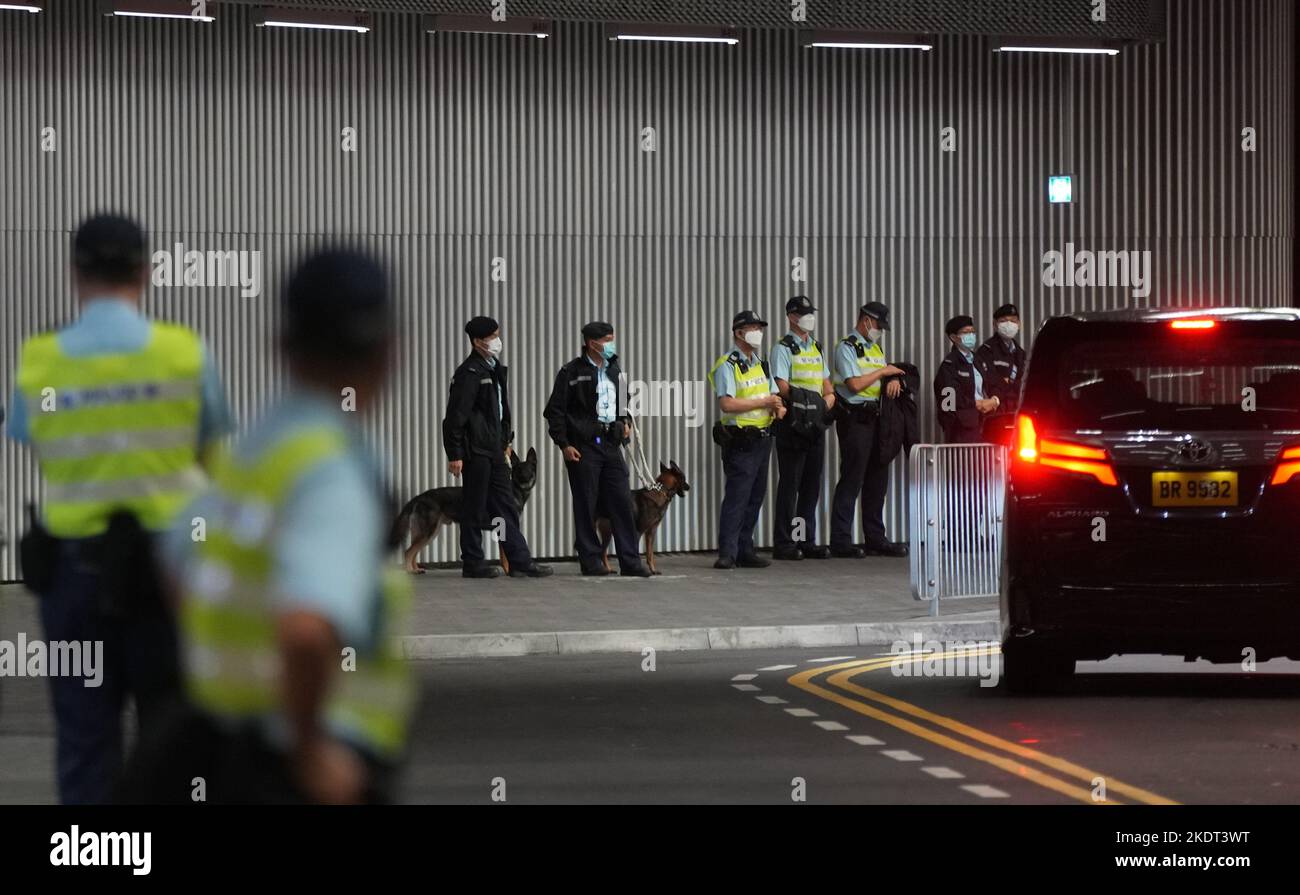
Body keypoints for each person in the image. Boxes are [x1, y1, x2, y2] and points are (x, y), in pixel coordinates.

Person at [133, 250, 416, 805]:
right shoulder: (335, 469)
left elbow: (178, 558)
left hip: (227, 746)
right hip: (303, 766)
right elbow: (306, 629)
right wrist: (308, 750)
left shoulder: (258, 451)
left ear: (280, 347)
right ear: (389, 353)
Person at [8, 213, 232, 804]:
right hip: (169, 575)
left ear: (74, 272)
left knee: (85, 743)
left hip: (75, 578)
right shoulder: (183, 352)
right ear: (146, 270)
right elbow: (213, 457)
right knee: (175, 740)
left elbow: (32, 435)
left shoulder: (41, 358)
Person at [443, 316, 552, 579]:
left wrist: (505, 442)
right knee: (474, 506)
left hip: (494, 451)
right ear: (478, 341)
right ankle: (473, 561)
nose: (497, 340)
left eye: (497, 334)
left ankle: (518, 560)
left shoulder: (493, 369)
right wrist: (455, 453)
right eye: (492, 336)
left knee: (505, 506)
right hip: (476, 451)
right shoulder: (469, 373)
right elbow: (455, 416)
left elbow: (500, 412)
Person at [544, 322, 652, 577]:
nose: (612, 344)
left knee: (622, 501)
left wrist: (625, 423)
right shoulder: (571, 371)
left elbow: (624, 403)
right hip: (584, 447)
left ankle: (630, 561)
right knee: (586, 504)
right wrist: (564, 444)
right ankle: (591, 561)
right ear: (592, 343)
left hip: (612, 445)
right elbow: (555, 412)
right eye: (607, 339)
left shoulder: (616, 369)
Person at [829, 302, 908, 558]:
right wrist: (884, 371)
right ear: (865, 320)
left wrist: (892, 378)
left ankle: (875, 538)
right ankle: (841, 540)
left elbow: (881, 377)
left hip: (877, 418)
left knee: (878, 479)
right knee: (852, 477)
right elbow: (853, 385)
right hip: (855, 419)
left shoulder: (875, 348)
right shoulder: (846, 347)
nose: (879, 331)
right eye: (877, 326)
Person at [709, 310, 786, 570]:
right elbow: (726, 404)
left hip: (763, 439)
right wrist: (763, 401)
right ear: (739, 332)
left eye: (760, 328)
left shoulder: (762, 363)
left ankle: (744, 549)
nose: (759, 333)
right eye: (753, 328)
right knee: (737, 496)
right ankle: (727, 552)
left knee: (756, 496)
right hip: (741, 441)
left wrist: (779, 407)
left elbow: (775, 396)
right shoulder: (728, 364)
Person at [769, 296, 835, 560]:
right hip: (794, 424)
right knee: (790, 484)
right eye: (804, 313)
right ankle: (784, 543)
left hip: (815, 425)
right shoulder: (783, 348)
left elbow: (827, 385)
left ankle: (805, 540)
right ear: (792, 317)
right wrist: (810, 401)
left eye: (811, 313)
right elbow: (781, 385)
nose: (810, 318)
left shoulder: (815, 347)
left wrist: (823, 403)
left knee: (811, 485)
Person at [934, 314, 1001, 443]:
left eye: (972, 332)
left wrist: (994, 400)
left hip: (984, 422)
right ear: (953, 337)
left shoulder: (979, 360)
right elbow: (948, 401)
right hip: (962, 428)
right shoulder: (949, 365)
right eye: (966, 332)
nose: (971, 335)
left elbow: (994, 383)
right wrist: (977, 404)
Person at [974, 304, 1027, 412]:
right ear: (995, 324)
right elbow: (989, 381)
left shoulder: (1021, 354)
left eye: (1013, 321)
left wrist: (1008, 383)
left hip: (1017, 410)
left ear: (1019, 324)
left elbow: (1025, 382)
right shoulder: (986, 350)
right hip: (995, 411)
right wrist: (1010, 387)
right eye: (1004, 320)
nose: (1009, 324)